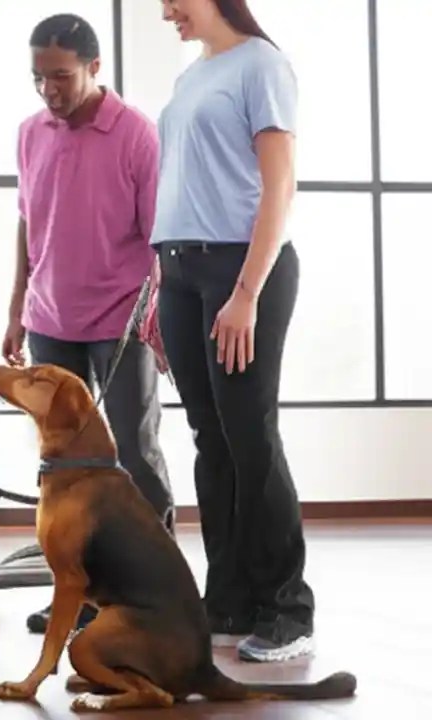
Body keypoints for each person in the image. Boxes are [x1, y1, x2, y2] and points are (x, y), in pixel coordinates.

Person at [152, 0, 312, 663]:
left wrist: (245, 293)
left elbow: (279, 189)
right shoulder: (191, 76)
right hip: (180, 270)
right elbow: (180, 182)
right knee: (209, 439)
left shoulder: (263, 65)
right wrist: (160, 288)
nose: (167, 13)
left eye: (173, 0)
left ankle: (287, 610)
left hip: (240, 270)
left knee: (250, 436)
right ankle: (229, 600)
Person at [6, 14, 175, 636]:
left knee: (132, 452)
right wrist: (16, 309)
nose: (49, 89)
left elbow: (159, 235)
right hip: (51, 317)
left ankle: (153, 591)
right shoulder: (30, 133)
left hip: (120, 319)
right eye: (39, 77)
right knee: (63, 467)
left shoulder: (136, 134)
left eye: (61, 76)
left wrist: (155, 318)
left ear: (95, 68)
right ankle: (76, 595)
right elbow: (27, 224)